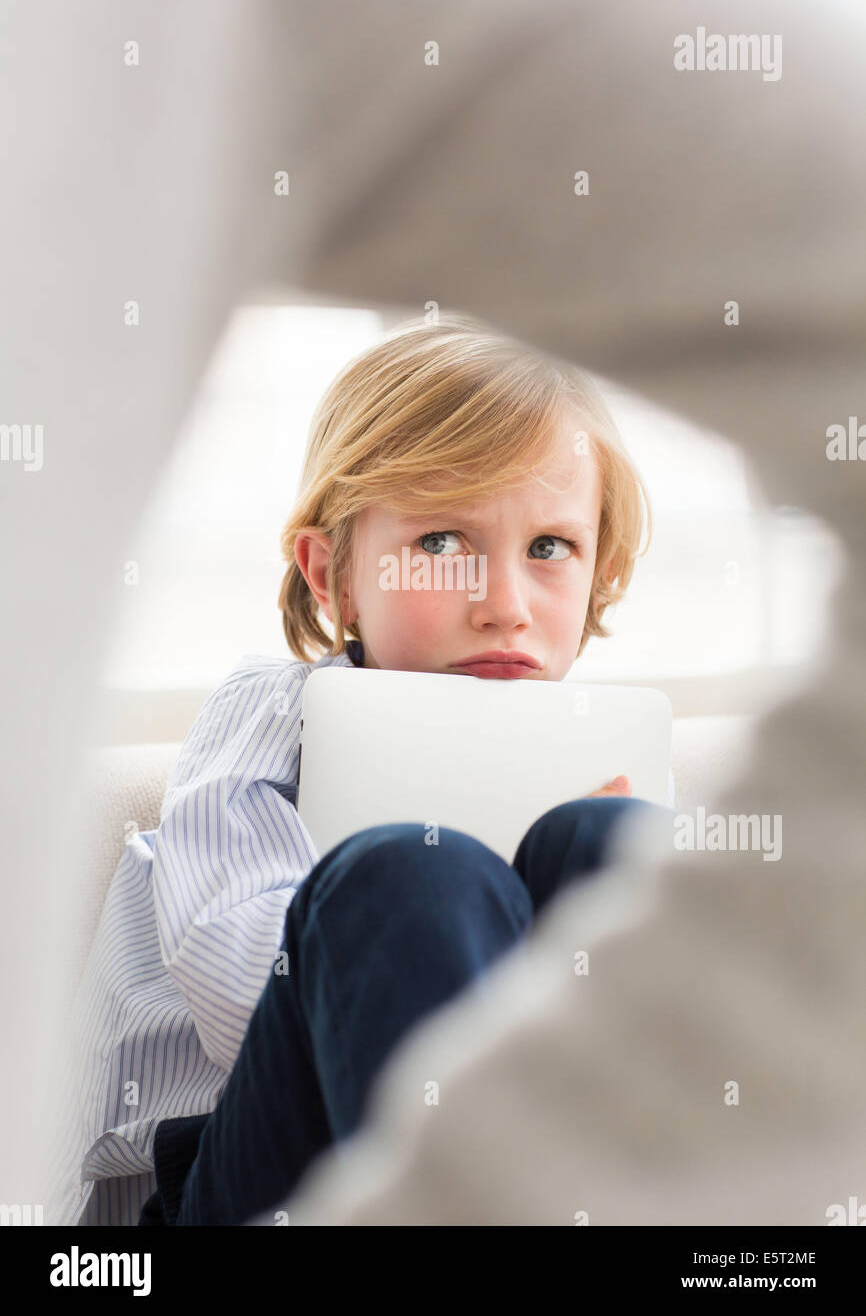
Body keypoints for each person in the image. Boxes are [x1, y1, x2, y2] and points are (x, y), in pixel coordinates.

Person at [49, 316, 675, 1226]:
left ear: (596, 569)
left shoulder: (610, 752)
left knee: (612, 840)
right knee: (410, 874)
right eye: (441, 544)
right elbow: (235, 987)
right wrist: (479, 894)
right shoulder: (271, 715)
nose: (504, 604)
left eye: (549, 548)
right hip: (269, 1182)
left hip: (551, 1174)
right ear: (333, 573)